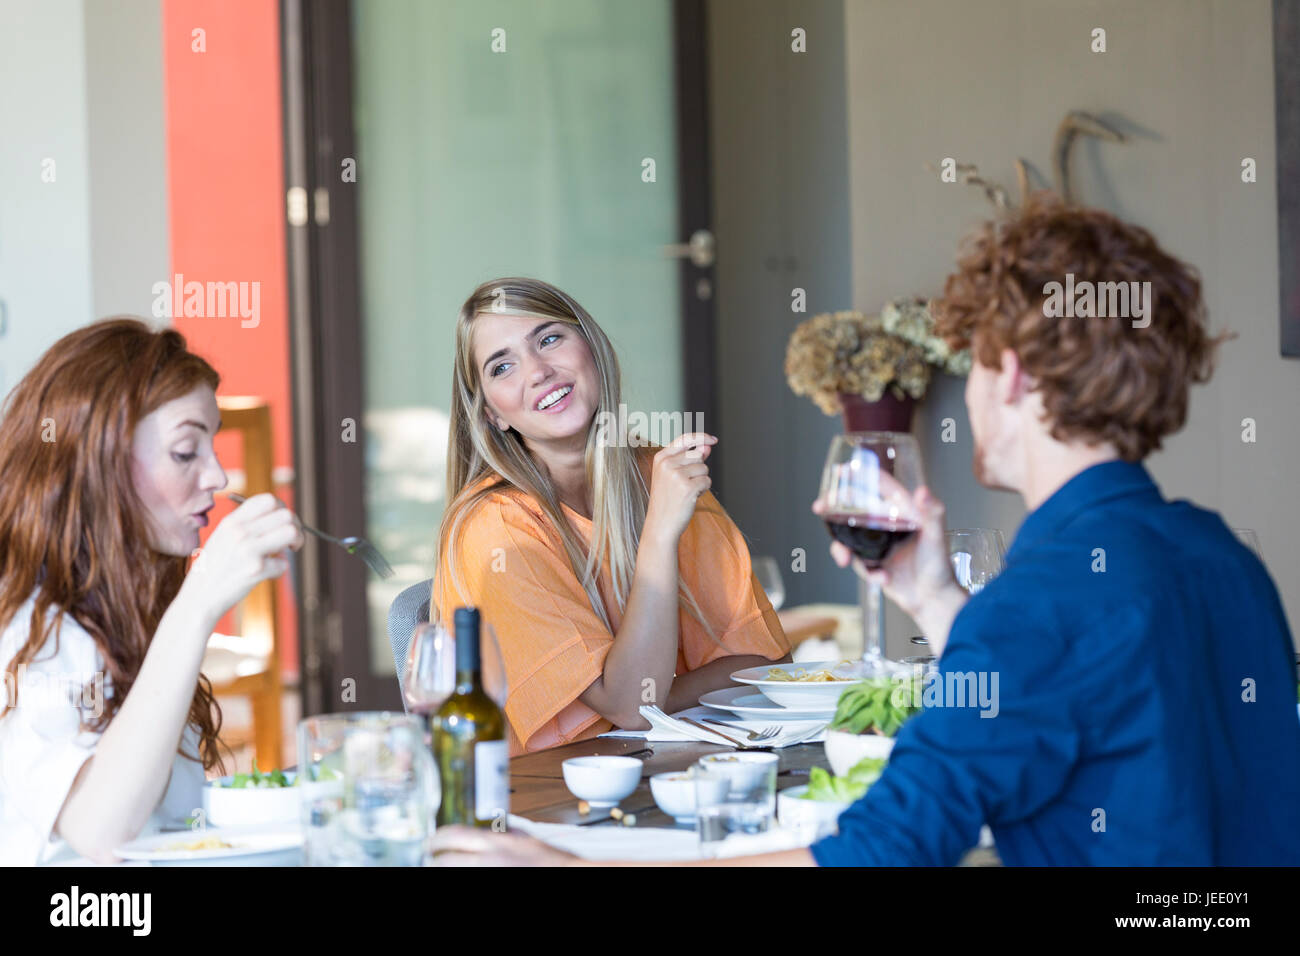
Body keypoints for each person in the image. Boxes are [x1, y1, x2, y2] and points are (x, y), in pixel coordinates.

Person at [432, 195, 1300, 865]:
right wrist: (935, 598)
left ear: (1011, 379)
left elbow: (878, 852)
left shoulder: (1037, 607)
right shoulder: (1226, 559)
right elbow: (1064, 701)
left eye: (979, 358)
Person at [431, 277, 791, 754]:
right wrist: (659, 536)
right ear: (492, 415)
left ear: (591, 346)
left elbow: (768, 668)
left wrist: (648, 700)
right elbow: (630, 705)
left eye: (549, 338)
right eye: (503, 366)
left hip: (668, 771)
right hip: (549, 803)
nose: (538, 371)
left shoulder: (659, 475)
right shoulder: (496, 529)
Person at [0, 319, 303, 865]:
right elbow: (101, 832)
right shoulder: (26, 625)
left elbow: (165, 823)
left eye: (212, 446)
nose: (216, 477)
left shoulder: (121, 609)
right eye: (186, 452)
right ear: (97, 461)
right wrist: (199, 602)